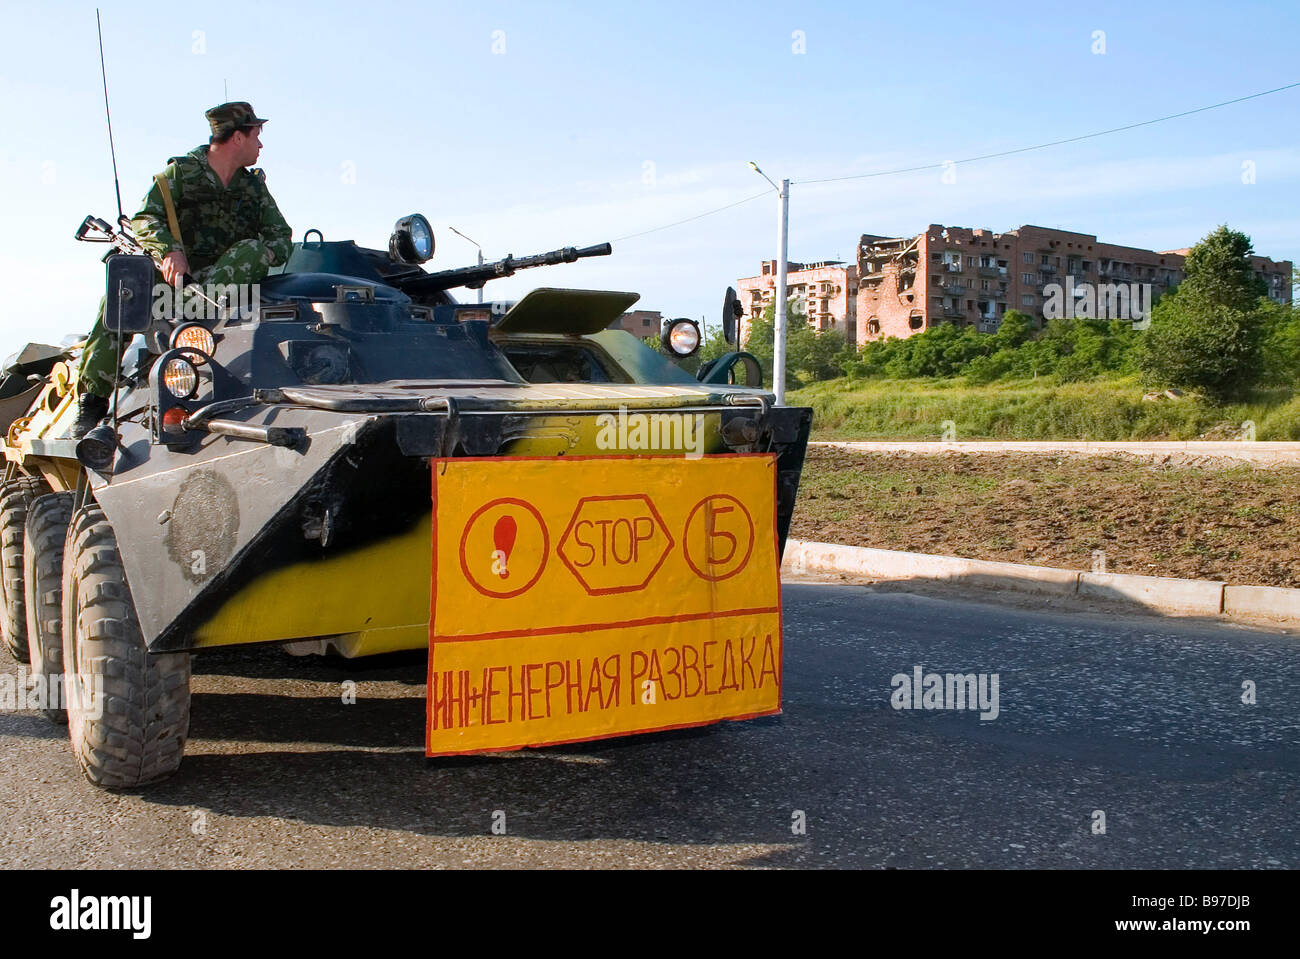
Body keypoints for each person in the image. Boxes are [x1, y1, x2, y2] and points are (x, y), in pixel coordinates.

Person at [73, 101, 293, 437]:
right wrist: (169, 251)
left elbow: (281, 237)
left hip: (225, 289)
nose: (260, 145)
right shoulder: (179, 175)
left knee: (251, 249)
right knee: (121, 295)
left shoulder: (252, 188)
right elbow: (145, 219)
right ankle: (92, 403)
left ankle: (199, 316)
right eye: (256, 136)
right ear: (237, 138)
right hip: (174, 282)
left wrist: (258, 256)